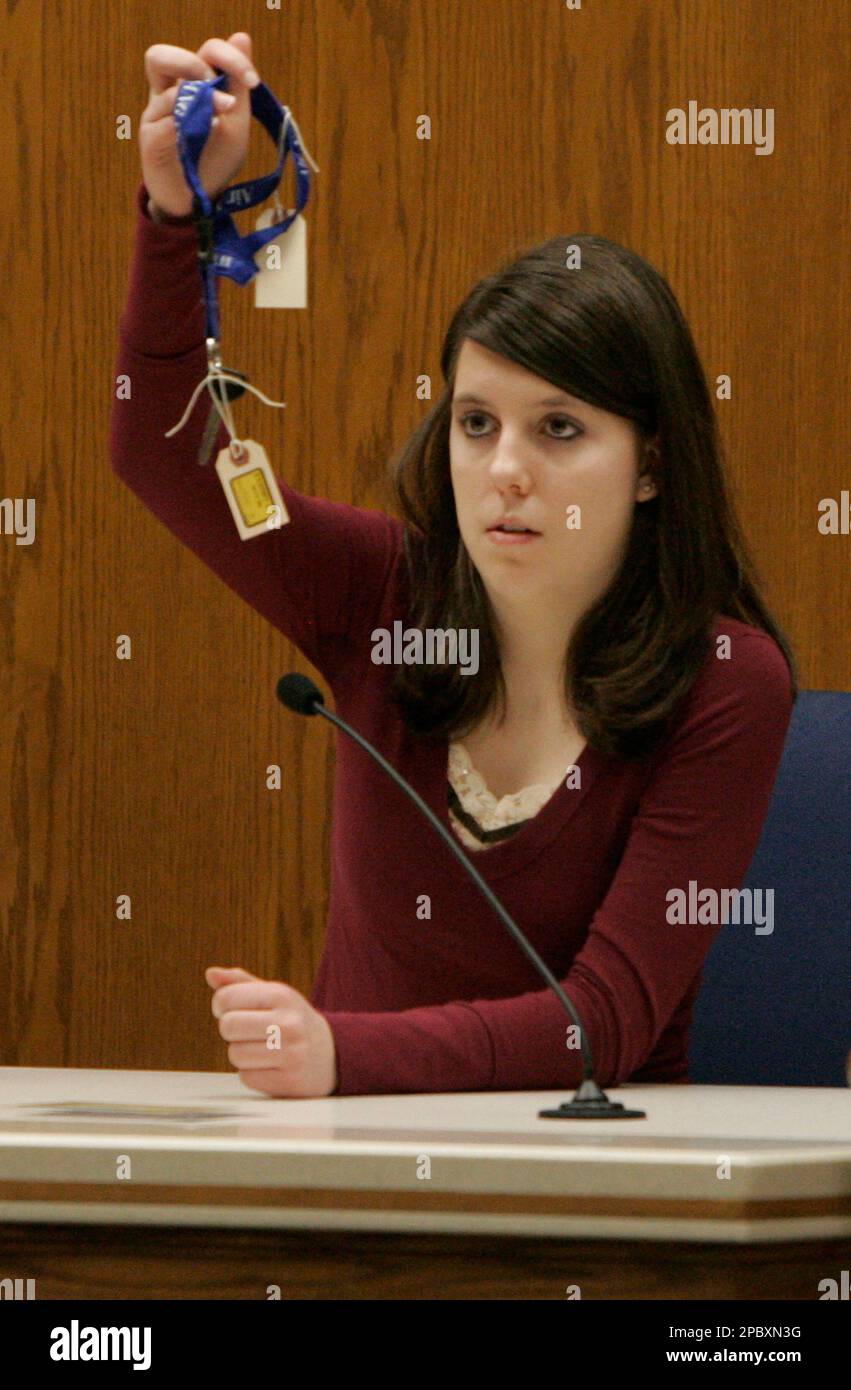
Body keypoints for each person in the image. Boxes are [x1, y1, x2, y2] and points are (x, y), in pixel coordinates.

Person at [109, 31, 797, 1098]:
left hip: (606, 1196)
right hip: (354, 1173)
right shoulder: (384, 593)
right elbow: (160, 448)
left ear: (652, 464)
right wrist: (176, 214)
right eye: (475, 423)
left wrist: (342, 1054)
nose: (502, 470)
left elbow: (605, 1021)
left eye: (557, 429)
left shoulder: (723, 679)